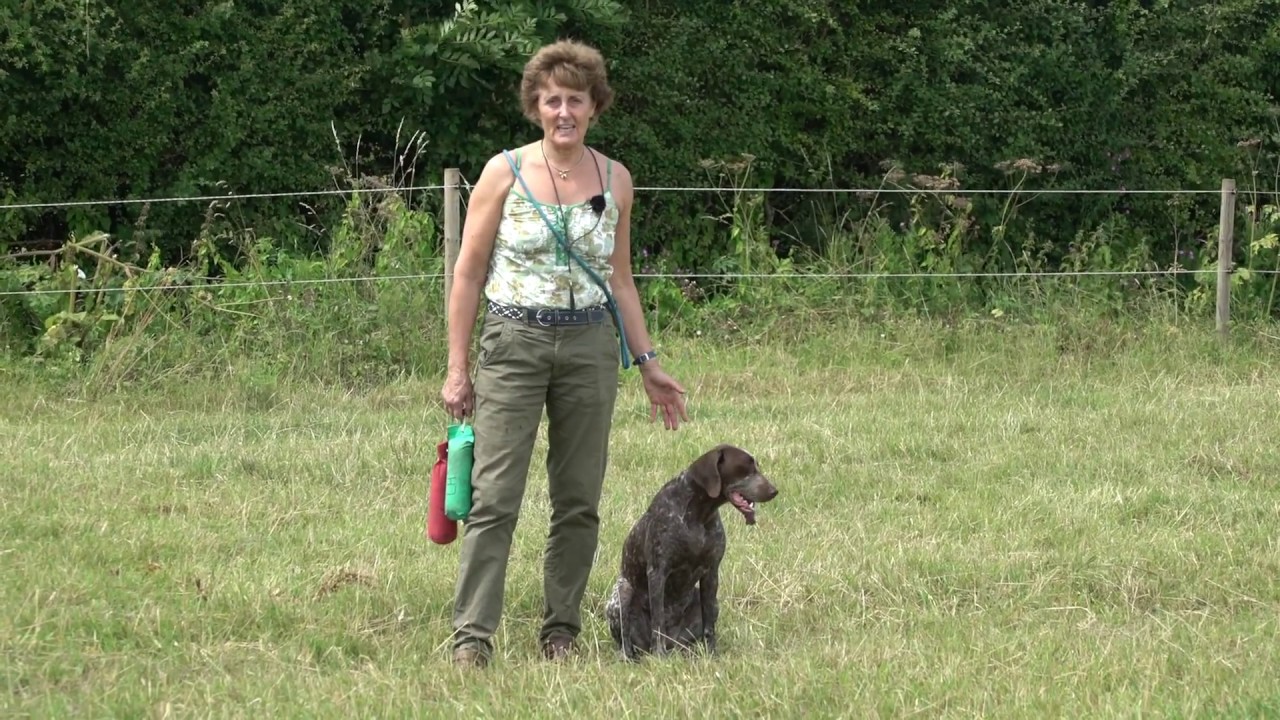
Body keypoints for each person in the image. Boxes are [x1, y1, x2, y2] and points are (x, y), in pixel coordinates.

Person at [440, 38, 690, 668]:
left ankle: (561, 632)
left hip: (589, 348)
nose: (563, 112)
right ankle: (473, 638)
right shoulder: (505, 172)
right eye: (552, 100)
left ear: (594, 107)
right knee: (495, 497)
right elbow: (467, 275)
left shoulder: (616, 179)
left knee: (578, 500)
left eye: (575, 100)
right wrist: (457, 366)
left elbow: (622, 280)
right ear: (536, 106)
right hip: (513, 342)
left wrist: (649, 363)